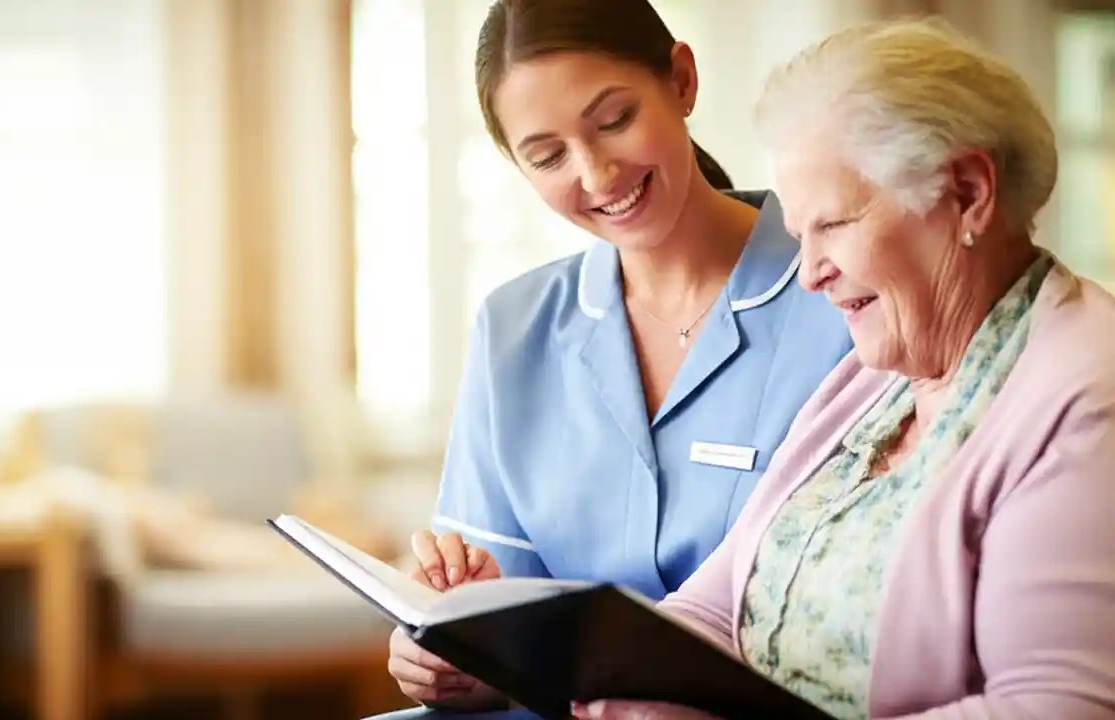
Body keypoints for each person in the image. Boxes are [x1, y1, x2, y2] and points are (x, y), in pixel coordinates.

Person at [573, 18, 1115, 720]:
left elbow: (1058, 707)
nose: (811, 275)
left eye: (834, 226)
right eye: (800, 236)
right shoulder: (877, 379)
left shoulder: (1086, 395)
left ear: (969, 192)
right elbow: (717, 603)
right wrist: (625, 679)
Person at [381, 0, 853, 714]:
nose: (597, 174)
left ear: (683, 81)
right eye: (547, 156)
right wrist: (455, 659)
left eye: (614, 121)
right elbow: (500, 615)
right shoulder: (513, 328)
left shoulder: (845, 296)